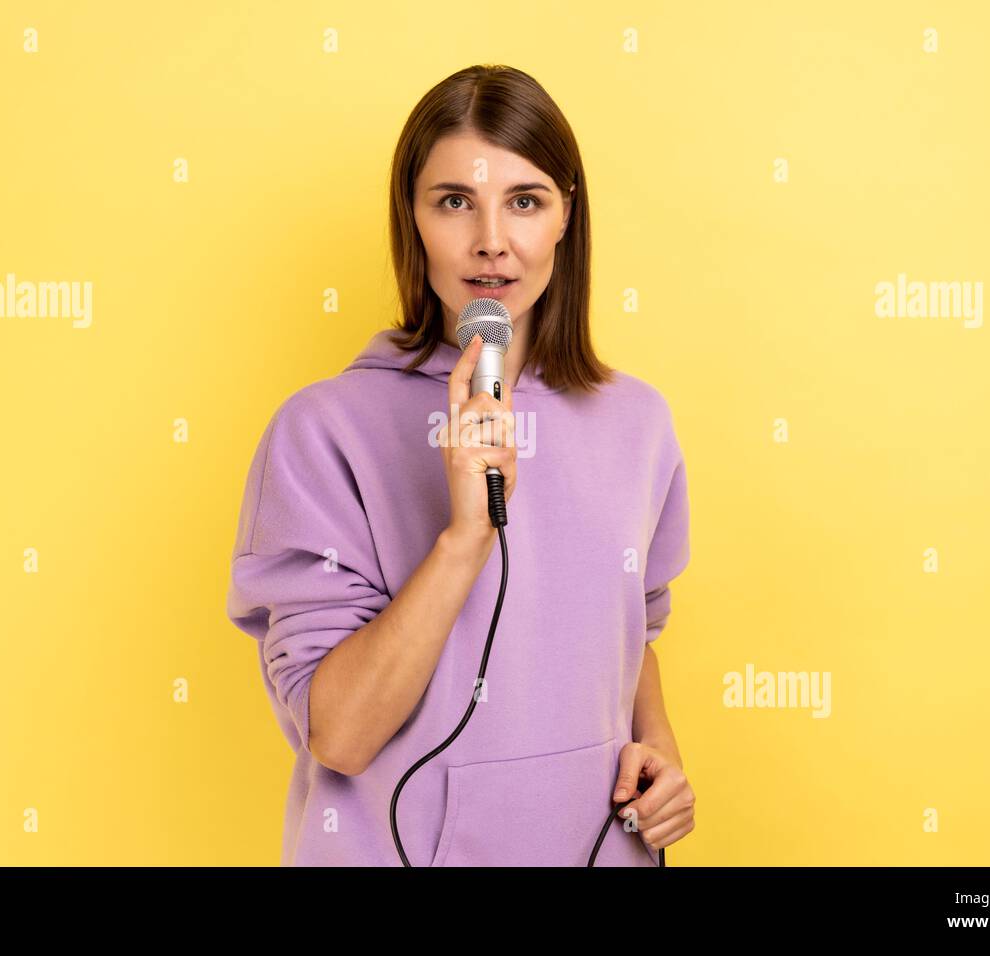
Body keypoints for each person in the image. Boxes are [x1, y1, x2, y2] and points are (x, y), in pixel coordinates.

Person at [226, 64, 693, 866]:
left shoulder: (636, 420)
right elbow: (338, 735)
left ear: (565, 218)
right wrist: (464, 538)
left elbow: (631, 627)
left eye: (525, 200)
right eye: (453, 202)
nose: (491, 240)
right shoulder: (323, 431)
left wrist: (660, 750)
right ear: (411, 219)